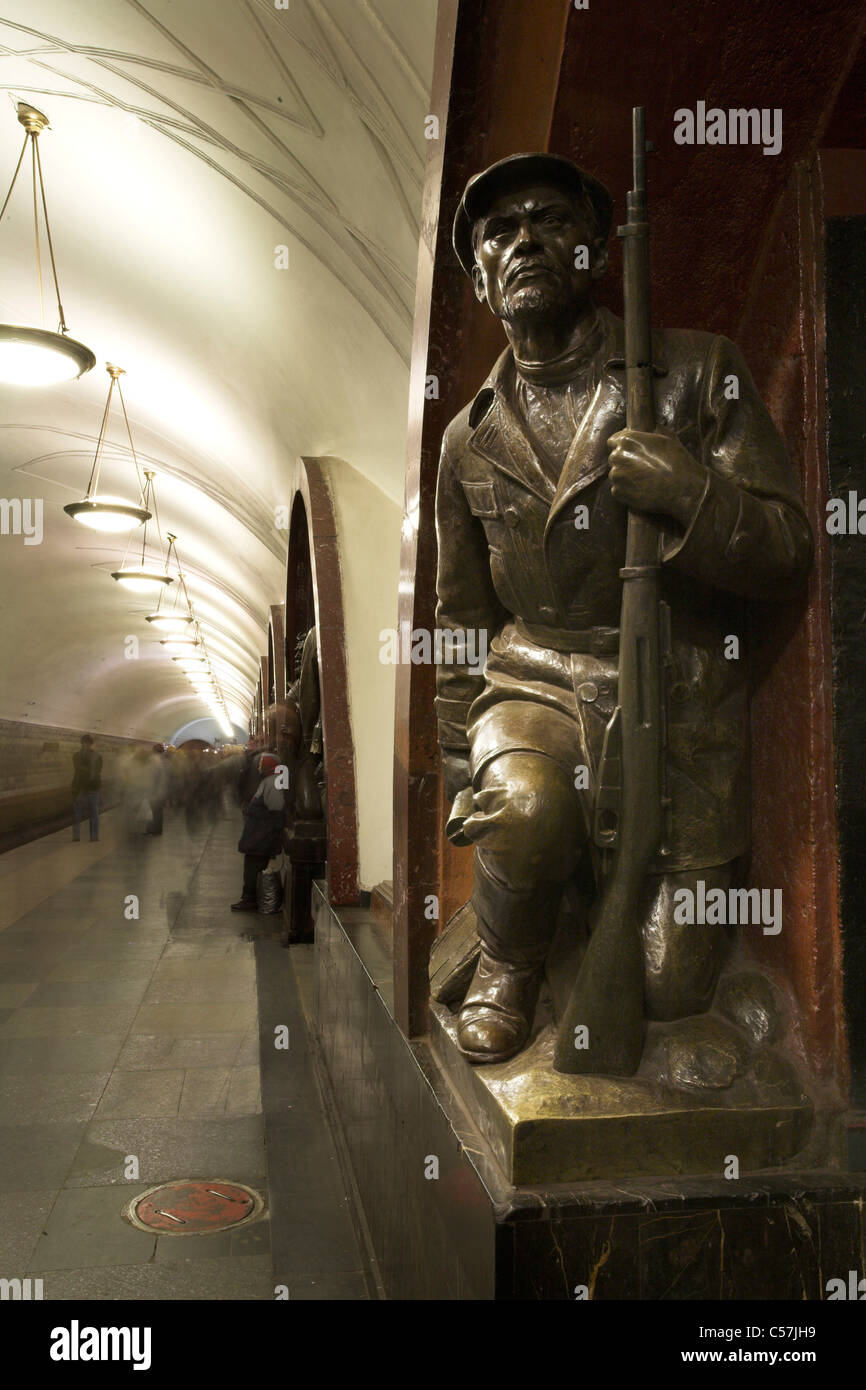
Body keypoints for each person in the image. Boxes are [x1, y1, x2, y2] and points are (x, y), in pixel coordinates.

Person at [435, 153, 813, 1067]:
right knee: (524, 810)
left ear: (596, 249)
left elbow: (788, 549)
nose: (523, 239)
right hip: (535, 679)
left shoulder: (693, 372)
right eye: (498, 232)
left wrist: (692, 495)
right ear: (482, 279)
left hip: (672, 701)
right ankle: (508, 958)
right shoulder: (467, 435)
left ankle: (585, 922)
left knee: (668, 987)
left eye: (549, 219)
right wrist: (460, 760)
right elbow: (461, 618)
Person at [232, 753, 286, 912]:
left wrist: (273, 838)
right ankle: (249, 898)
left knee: (253, 867)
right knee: (251, 866)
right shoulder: (269, 781)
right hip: (258, 834)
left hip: (261, 835)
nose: (259, 767)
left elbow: (276, 812)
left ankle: (251, 900)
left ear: (269, 766)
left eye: (262, 764)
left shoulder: (274, 783)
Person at [71, 734, 102, 842]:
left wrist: (75, 787)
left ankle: (76, 836)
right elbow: (98, 771)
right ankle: (94, 836)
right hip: (92, 788)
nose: (85, 745)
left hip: (81, 788)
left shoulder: (76, 755)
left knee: (77, 813)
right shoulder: (97, 756)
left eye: (85, 743)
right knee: (94, 813)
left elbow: (77, 772)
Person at [145, 744, 168, 836]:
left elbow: (153, 776)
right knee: (158, 812)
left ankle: (153, 830)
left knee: (153, 811)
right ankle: (157, 830)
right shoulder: (163, 760)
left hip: (154, 790)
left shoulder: (153, 760)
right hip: (161, 789)